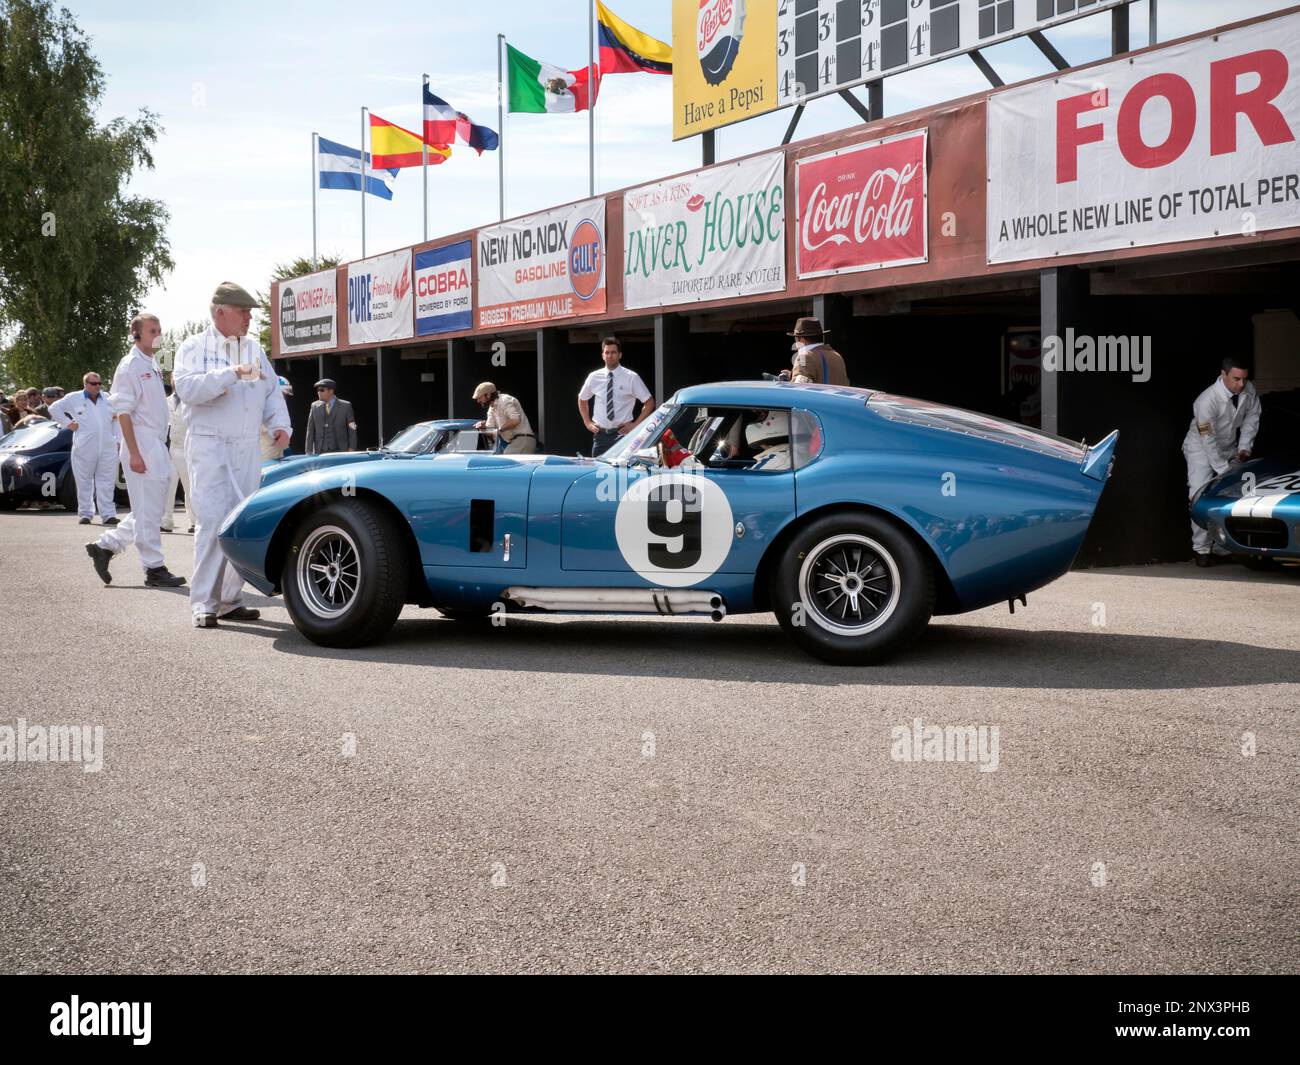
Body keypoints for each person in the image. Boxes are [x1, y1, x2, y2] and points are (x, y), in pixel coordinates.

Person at [173, 281, 290, 627]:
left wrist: (281, 425)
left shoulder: (253, 349)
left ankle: (229, 598)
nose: (248, 318)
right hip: (210, 445)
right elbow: (187, 388)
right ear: (220, 312)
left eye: (251, 312)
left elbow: (272, 393)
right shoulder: (194, 346)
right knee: (211, 522)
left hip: (246, 446)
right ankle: (204, 603)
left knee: (241, 521)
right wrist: (229, 374)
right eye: (243, 311)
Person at [83, 314, 186, 589]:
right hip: (140, 441)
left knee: (150, 508)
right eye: (153, 330)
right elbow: (123, 412)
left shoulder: (151, 363)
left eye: (160, 330)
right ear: (136, 334)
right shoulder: (130, 365)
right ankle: (154, 568)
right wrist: (135, 452)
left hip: (155, 441)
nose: (158, 335)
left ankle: (105, 546)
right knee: (148, 509)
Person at [1183, 356, 1262, 566]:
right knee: (1199, 494)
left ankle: (1222, 544)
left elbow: (1253, 417)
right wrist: (1222, 469)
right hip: (1200, 448)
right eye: (1236, 379)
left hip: (1230, 447)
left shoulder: (1248, 389)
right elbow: (1206, 437)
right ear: (1223, 374)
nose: (1241, 384)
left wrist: (1245, 447)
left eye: (1244, 379)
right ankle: (1201, 549)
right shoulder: (1205, 401)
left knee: (1232, 496)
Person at [49, 372, 120, 524]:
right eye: (94, 384)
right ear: (85, 384)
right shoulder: (74, 398)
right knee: (84, 481)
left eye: (99, 383)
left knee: (106, 482)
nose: (98, 386)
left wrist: (118, 440)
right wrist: (68, 424)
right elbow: (54, 409)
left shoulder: (107, 398)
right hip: (84, 446)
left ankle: (108, 514)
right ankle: (86, 514)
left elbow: (116, 419)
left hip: (107, 446)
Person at [577, 336, 655, 457]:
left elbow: (649, 402)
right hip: (600, 436)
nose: (610, 355)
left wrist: (635, 425)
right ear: (602, 355)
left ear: (620, 355)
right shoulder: (594, 377)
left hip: (623, 435)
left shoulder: (631, 377)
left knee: (622, 472)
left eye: (613, 352)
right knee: (598, 472)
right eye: (607, 352)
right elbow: (582, 399)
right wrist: (587, 422)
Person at [162, 383, 195, 534]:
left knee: (189, 488)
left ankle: (194, 521)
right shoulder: (166, 401)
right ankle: (166, 521)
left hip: (186, 449)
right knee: (168, 486)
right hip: (171, 448)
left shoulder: (191, 400)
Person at [778, 316, 849, 386]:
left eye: (795, 339)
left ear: (802, 340)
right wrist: (792, 376)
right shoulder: (837, 356)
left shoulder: (804, 358)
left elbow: (799, 390)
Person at [472, 381, 537, 454]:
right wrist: (483, 427)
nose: (478, 401)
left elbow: (515, 420)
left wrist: (500, 429)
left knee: (506, 459)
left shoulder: (504, 400)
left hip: (523, 439)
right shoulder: (491, 409)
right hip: (512, 442)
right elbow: (491, 432)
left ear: (488, 395)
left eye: (480, 397)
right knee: (497, 460)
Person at [304, 379, 356, 455]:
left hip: (340, 450)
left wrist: (352, 448)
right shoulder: (314, 406)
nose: (319, 392)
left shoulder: (346, 406)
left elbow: (352, 429)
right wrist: (308, 451)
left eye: (322, 390)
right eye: (318, 390)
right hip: (320, 451)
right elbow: (310, 429)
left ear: (331, 391)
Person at [261, 377, 294, 460]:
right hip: (266, 453)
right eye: (282, 394)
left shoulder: (280, 410)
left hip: (279, 452)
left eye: (285, 395)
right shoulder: (261, 408)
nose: (284, 398)